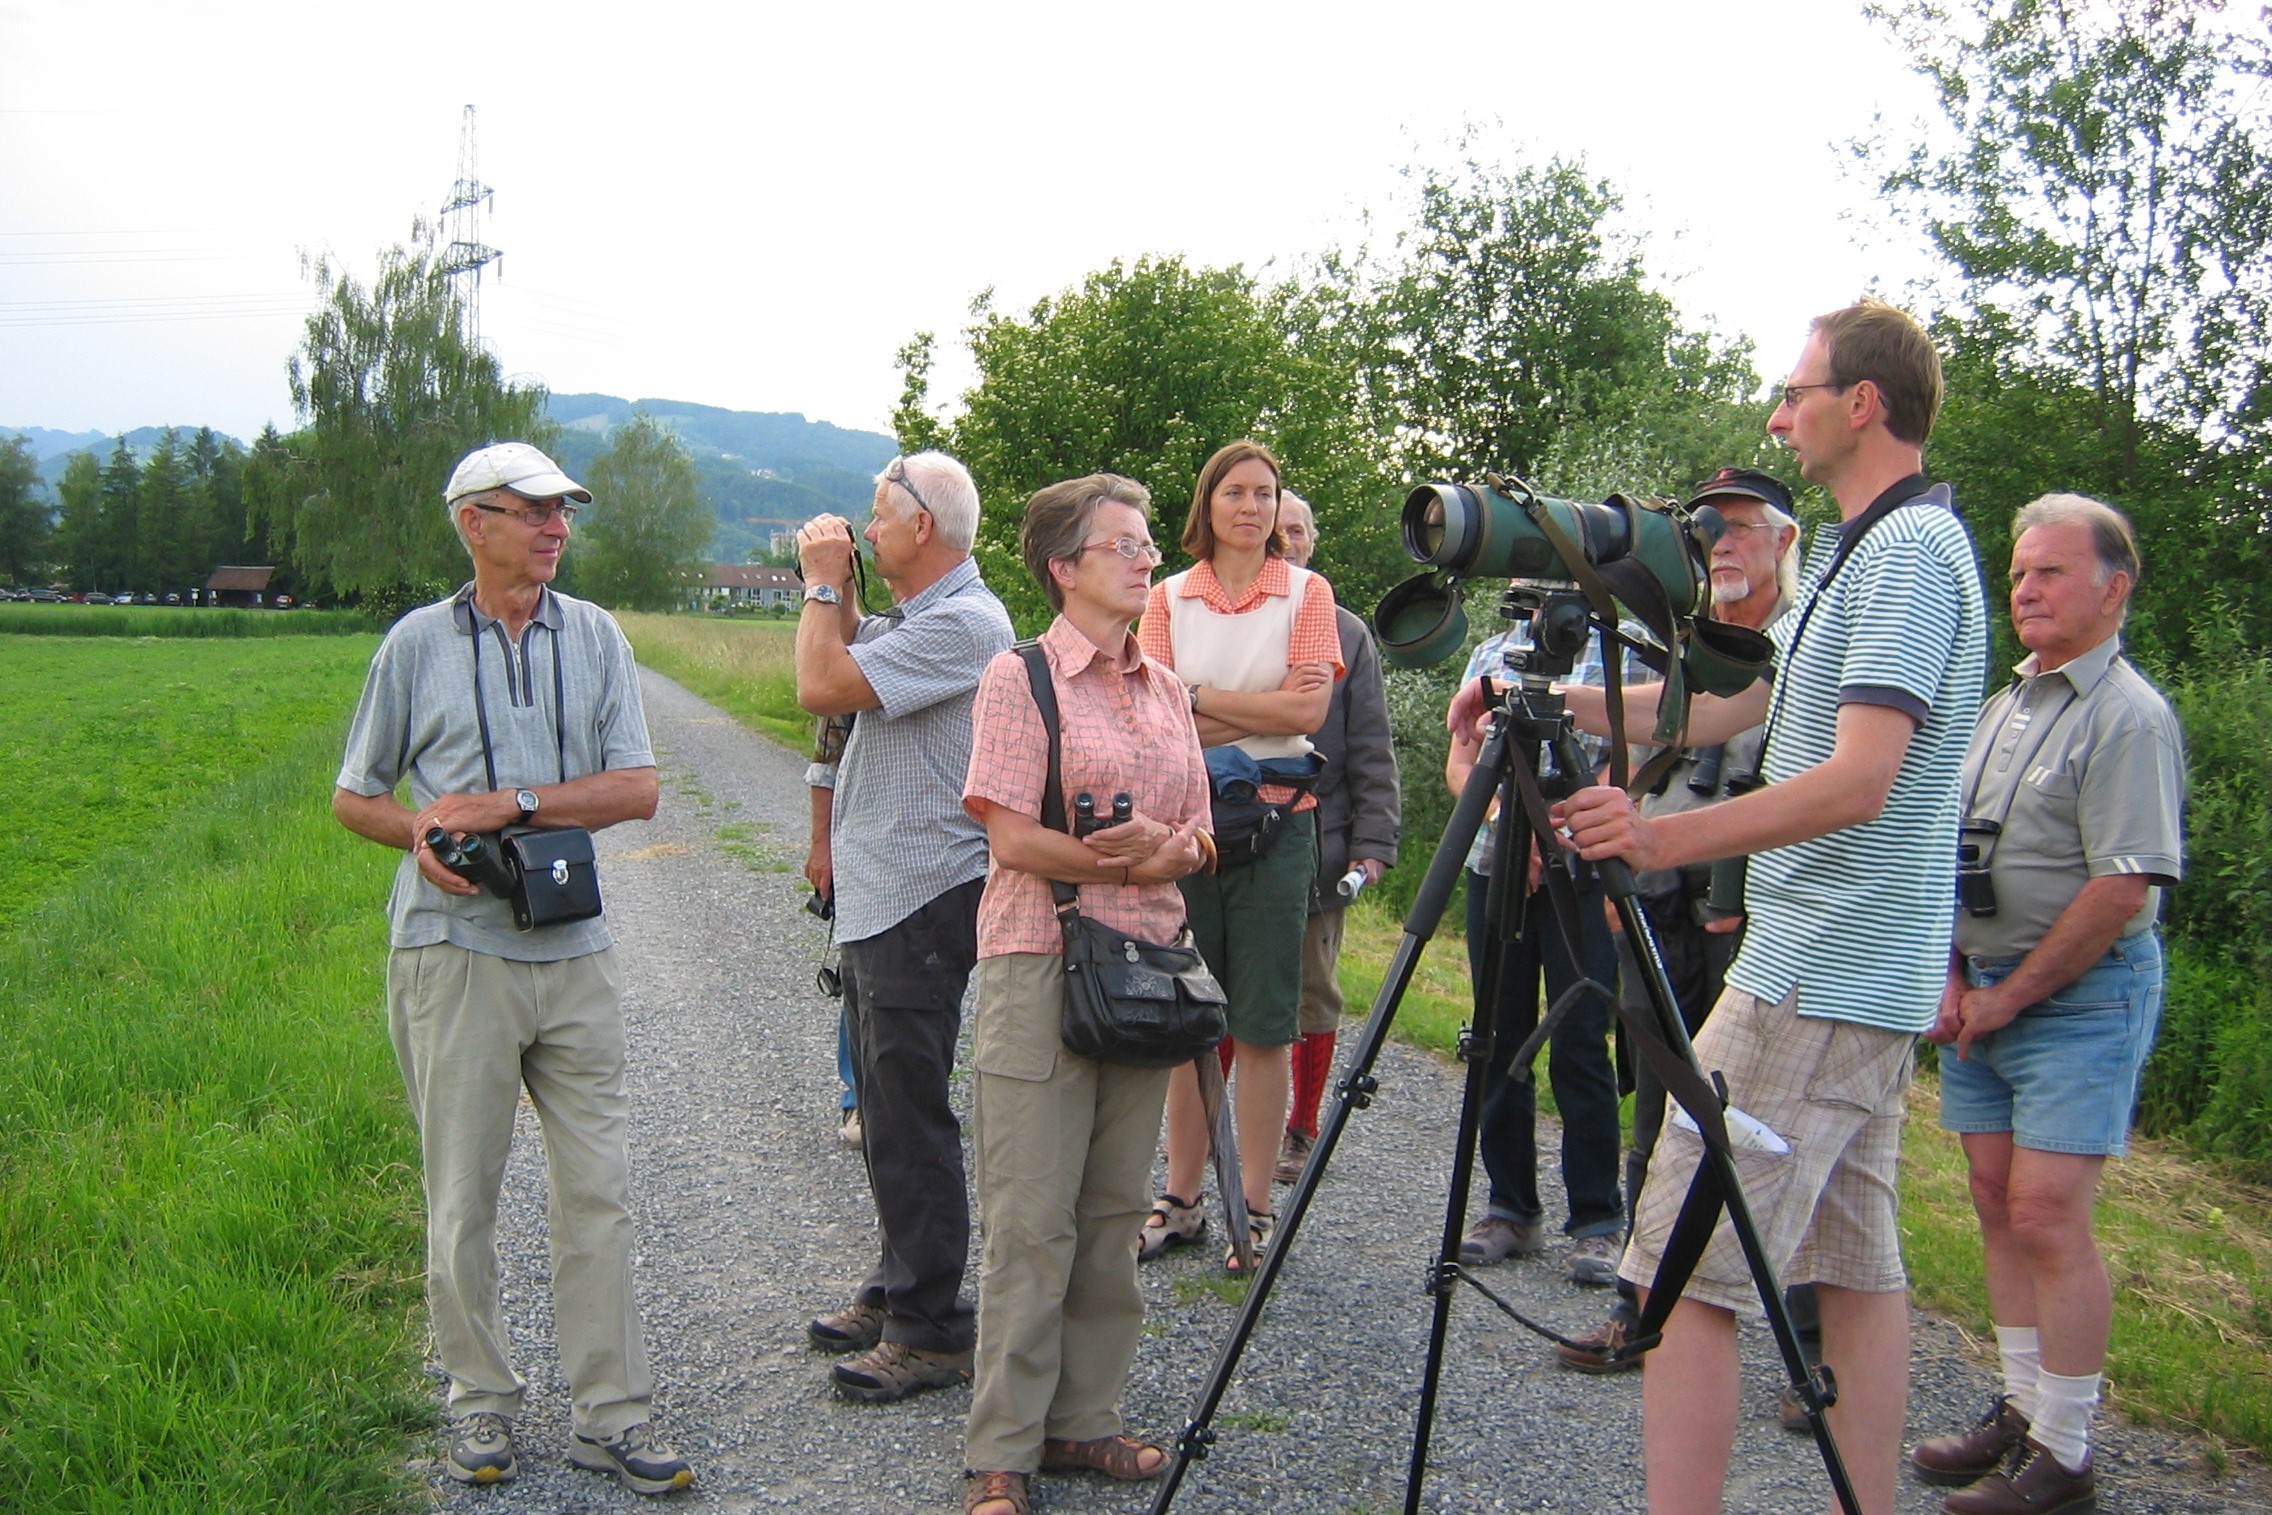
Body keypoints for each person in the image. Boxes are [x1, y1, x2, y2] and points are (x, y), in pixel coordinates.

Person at [1554, 298, 1989, 1515]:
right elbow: (1732, 708)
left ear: (1862, 403)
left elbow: (1859, 780)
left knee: (1678, 1267)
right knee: (1854, 1269)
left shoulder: (1907, 557)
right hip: (1854, 972)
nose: (1777, 416)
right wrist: (1553, 700)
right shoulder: (1863, 549)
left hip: (1817, 968)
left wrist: (1657, 835)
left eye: (1795, 392)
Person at [331, 441, 692, 1495]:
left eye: (562, 511)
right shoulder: (413, 645)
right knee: (462, 1194)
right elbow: (356, 795)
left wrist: (513, 804)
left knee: (600, 1191)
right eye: (532, 510)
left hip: (574, 949)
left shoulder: (597, 635)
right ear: (472, 522)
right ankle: (478, 1401)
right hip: (453, 954)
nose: (555, 528)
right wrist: (421, 834)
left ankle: (611, 1414)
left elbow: (637, 788)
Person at [1911, 494, 2183, 1515]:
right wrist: (1951, 976)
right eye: (2020, 572)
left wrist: (2009, 995)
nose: (2024, 589)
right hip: (1981, 992)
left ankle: (2066, 1453)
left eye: (2050, 572)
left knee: (2044, 1212)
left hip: (2077, 1000)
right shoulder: (2005, 701)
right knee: (1992, 1198)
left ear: (2114, 590)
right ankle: (2024, 1409)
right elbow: (1952, 845)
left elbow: (2122, 888)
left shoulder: (2129, 717)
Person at [959, 474, 1213, 1515]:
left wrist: (1175, 852)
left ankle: (1083, 1420)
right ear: (1064, 566)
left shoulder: (1168, 690)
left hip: (1147, 970)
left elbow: (1201, 834)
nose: (1147, 558)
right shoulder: (1019, 677)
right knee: (1031, 1218)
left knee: (1111, 1214)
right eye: (1124, 544)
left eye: (1148, 544)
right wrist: (1129, 863)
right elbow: (1011, 837)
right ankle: (1001, 1451)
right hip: (1040, 956)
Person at [1553, 466, 1818, 1372]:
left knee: (1771, 1114)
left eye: (1741, 528)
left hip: (1757, 909)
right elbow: (1663, 728)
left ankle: (1807, 1341)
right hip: (1659, 893)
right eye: (1708, 531)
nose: (1722, 545)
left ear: (1786, 540)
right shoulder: (1686, 637)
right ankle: (1640, 1303)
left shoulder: (1806, 639)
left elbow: (1710, 726)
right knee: (1662, 1094)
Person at [792, 451, 1015, 1402]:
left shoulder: (969, 623)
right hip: (888, 890)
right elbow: (849, 654)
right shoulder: (923, 616)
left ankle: (932, 1327)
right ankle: (897, 1285)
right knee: (886, 1108)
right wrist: (840, 590)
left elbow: (820, 683)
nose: (869, 529)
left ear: (924, 526)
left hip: (924, 892)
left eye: (880, 516)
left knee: (910, 1110)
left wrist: (820, 580)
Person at [1136, 440, 1341, 1272]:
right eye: (1236, 492)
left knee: (1262, 1023)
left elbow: (1311, 711)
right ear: (1208, 504)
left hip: (1277, 824)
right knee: (1191, 1019)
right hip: (1188, 825)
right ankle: (1181, 1198)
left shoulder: (1308, 592)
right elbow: (1153, 716)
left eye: (1266, 493)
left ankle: (1251, 1206)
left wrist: (1198, 701)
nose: (1252, 507)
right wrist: (1259, 708)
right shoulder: (1166, 596)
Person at [1443, 595, 1638, 1287]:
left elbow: (1629, 764)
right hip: (1496, 865)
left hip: (1581, 872)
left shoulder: (1622, 651)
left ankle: (1597, 1217)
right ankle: (1510, 1206)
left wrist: (1549, 831)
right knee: (1496, 1033)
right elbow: (1461, 763)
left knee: (1581, 1037)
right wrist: (1511, 818)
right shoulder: (1491, 654)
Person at [1272, 492, 1401, 1183]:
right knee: (1222, 985)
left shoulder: (1349, 634)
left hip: (1321, 847)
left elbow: (1373, 746)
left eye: (1297, 530)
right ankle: (1214, 1133)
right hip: (1232, 837)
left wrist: (1374, 841)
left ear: (1312, 542)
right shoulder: (1226, 622)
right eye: (1276, 531)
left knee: (1312, 993)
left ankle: (1301, 1128)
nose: (1286, 541)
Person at [804, 711, 862, 1148]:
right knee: (861, 973)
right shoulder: (846, 676)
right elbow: (826, 762)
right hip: (863, 842)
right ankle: (858, 1097)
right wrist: (821, 846)